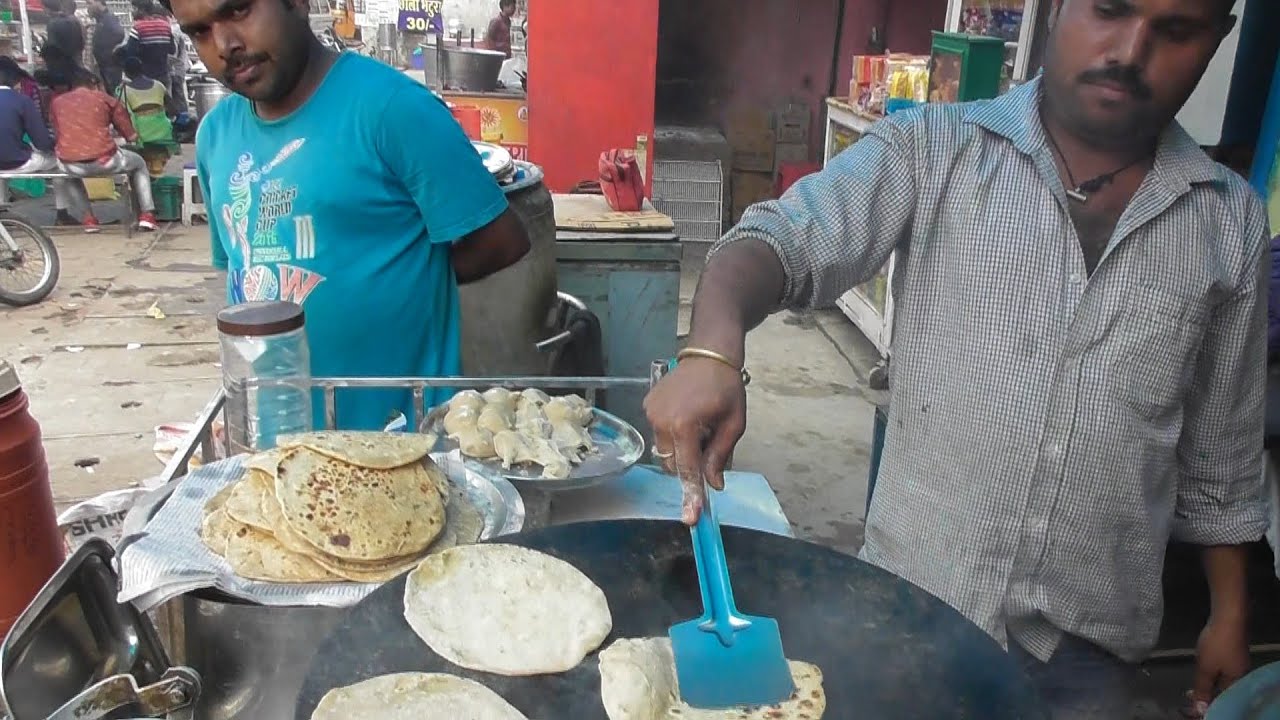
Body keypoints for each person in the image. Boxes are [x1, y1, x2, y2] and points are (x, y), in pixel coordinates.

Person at [645, 1, 1265, 718]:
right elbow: (777, 241)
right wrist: (712, 350)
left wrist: (1229, 615)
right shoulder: (932, 148)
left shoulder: (1227, 221)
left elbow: (1221, 457)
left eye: (1176, 31)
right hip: (907, 617)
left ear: (1218, 40)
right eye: (1108, 8)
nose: (1130, 50)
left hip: (1090, 662)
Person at [167, 0, 531, 431]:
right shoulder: (215, 136)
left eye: (239, 11)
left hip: (402, 436)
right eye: (200, 32)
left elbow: (502, 240)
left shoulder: (394, 109)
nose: (224, 44)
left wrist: (409, 278)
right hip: (279, 435)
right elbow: (241, 272)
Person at [49, 70, 159, 232]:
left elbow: (58, 132)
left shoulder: (57, 103)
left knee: (70, 175)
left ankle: (89, 219)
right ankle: (147, 215)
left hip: (71, 163)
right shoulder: (106, 99)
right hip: (106, 161)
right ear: (94, 83)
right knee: (139, 164)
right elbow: (130, 135)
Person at [0, 59, 80, 223]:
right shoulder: (22, 101)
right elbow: (42, 143)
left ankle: (3, 216)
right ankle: (62, 213)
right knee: (57, 162)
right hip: (17, 162)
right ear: (15, 81)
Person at [117, 55, 175, 176]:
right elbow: (172, 109)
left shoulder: (124, 90)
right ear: (142, 69)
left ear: (126, 72)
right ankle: (156, 173)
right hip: (163, 132)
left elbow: (122, 115)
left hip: (142, 134)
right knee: (156, 161)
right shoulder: (158, 85)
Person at [123, 0, 176, 88]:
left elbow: (130, 53)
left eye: (134, 8)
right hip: (163, 75)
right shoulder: (165, 26)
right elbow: (172, 50)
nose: (132, 12)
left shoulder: (138, 28)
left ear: (142, 10)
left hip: (145, 78)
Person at [40, 0, 87, 88]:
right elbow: (81, 42)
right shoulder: (74, 21)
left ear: (48, 9)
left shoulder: (53, 23)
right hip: (76, 63)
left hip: (62, 67)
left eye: (43, 8)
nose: (43, 10)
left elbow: (52, 48)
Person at [87, 0, 127, 92]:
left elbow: (119, 34)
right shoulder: (101, 20)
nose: (88, 7)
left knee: (113, 93)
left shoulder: (108, 18)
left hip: (110, 66)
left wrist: (107, 51)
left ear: (99, 2)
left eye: (89, 3)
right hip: (104, 66)